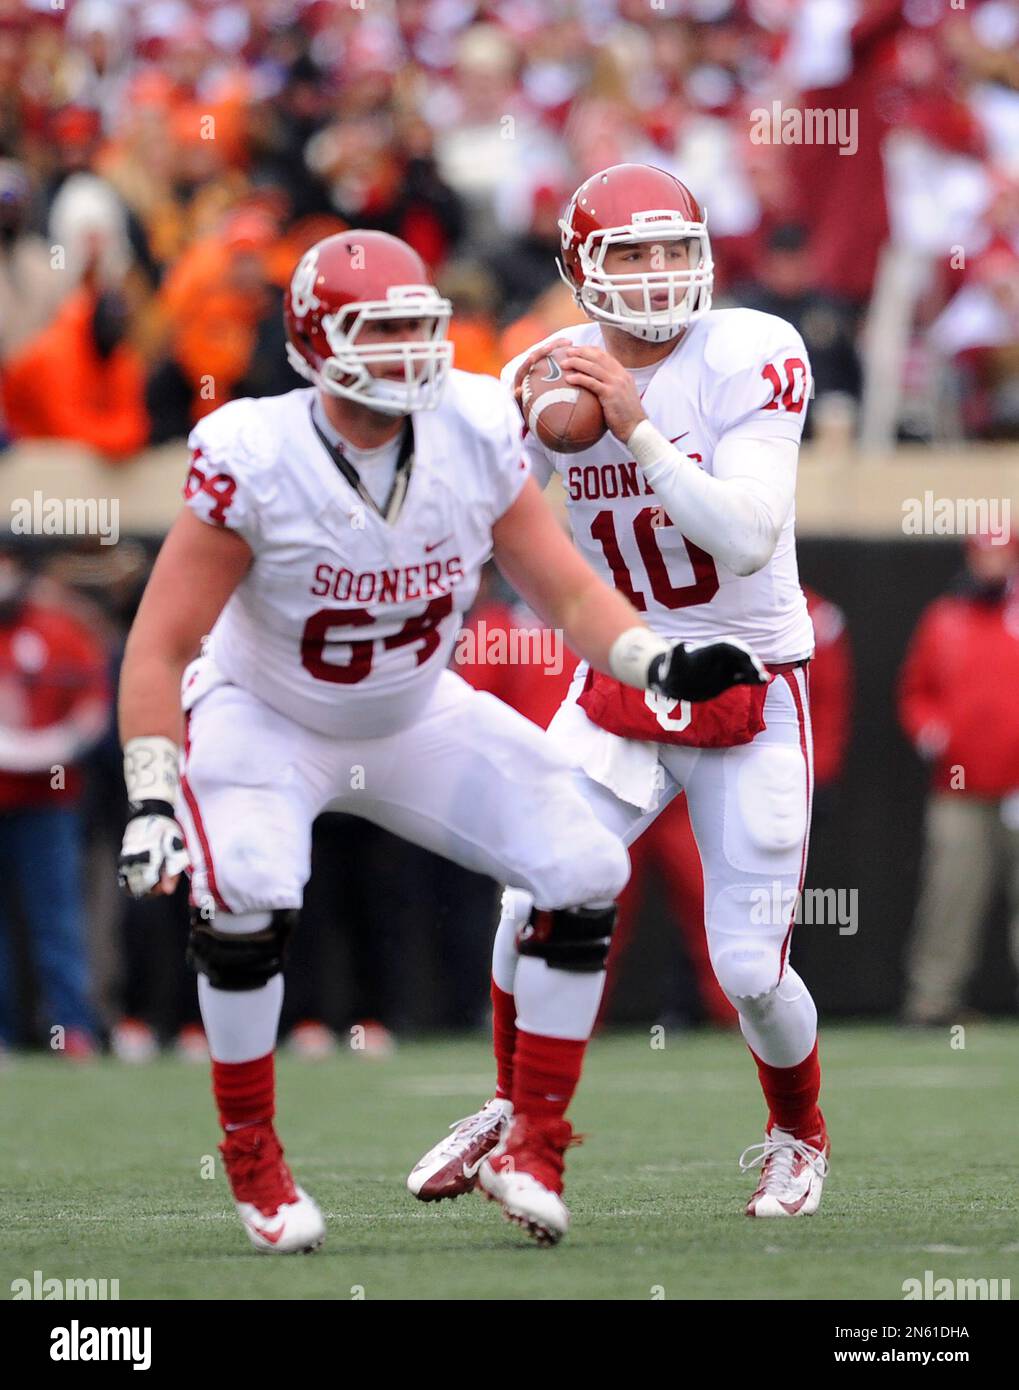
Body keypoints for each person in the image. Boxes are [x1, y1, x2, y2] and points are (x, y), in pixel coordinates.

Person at [116, 228, 764, 1256]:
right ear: (315, 340)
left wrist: (656, 663)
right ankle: (251, 1148)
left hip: (413, 706)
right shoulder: (252, 450)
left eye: (420, 323)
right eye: (382, 329)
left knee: (583, 861)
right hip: (266, 712)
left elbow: (559, 585)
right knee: (246, 888)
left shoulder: (470, 420)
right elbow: (160, 645)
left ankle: (533, 1141)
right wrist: (152, 795)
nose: (411, 348)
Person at [409, 164, 827, 1243]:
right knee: (526, 903)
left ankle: (799, 1130)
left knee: (748, 969)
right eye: (626, 252)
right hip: (625, 683)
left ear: (702, 250)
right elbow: (493, 526)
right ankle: (515, 1113)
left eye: (668, 247)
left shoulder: (753, 350)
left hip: (746, 686)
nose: (652, 273)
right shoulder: (540, 372)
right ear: (576, 269)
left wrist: (636, 428)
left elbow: (742, 534)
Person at [898, 529, 1019, 1025]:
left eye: (1001, 553)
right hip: (960, 789)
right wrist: (932, 732)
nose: (991, 564)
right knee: (950, 897)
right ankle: (933, 1001)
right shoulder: (943, 619)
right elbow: (916, 691)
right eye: (983, 553)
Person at [0, 552, 109, 1056]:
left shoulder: (60, 630)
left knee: (57, 917)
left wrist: (53, 748)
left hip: (48, 800)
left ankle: (73, 1027)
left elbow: (92, 705)